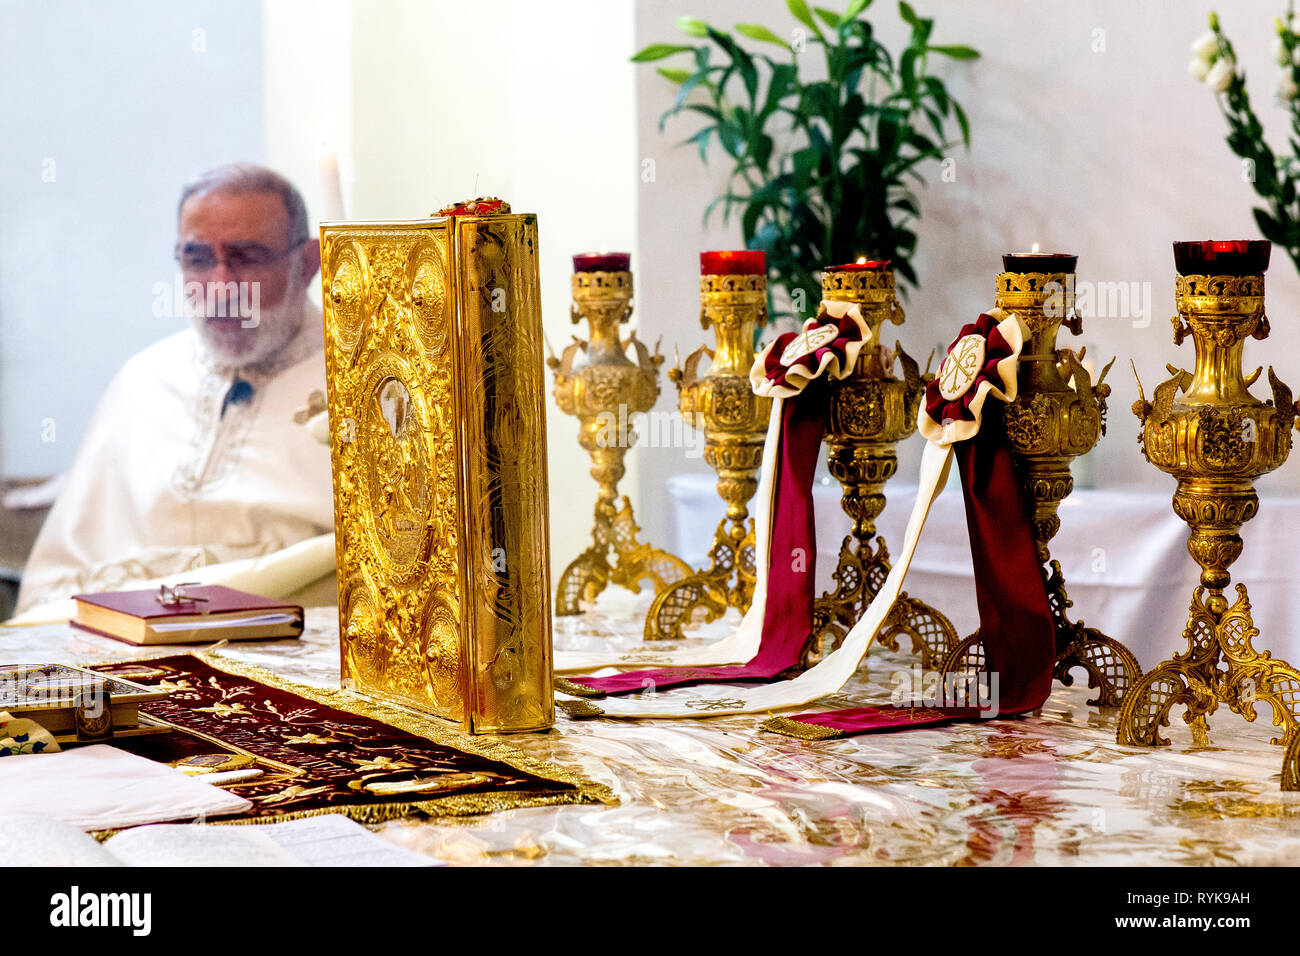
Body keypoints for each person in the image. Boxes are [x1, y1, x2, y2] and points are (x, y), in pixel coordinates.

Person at [13, 163, 336, 617]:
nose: (221, 287)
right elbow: (58, 584)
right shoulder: (143, 379)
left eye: (246, 256)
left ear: (306, 264)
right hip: (122, 650)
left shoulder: (356, 382)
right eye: (198, 259)